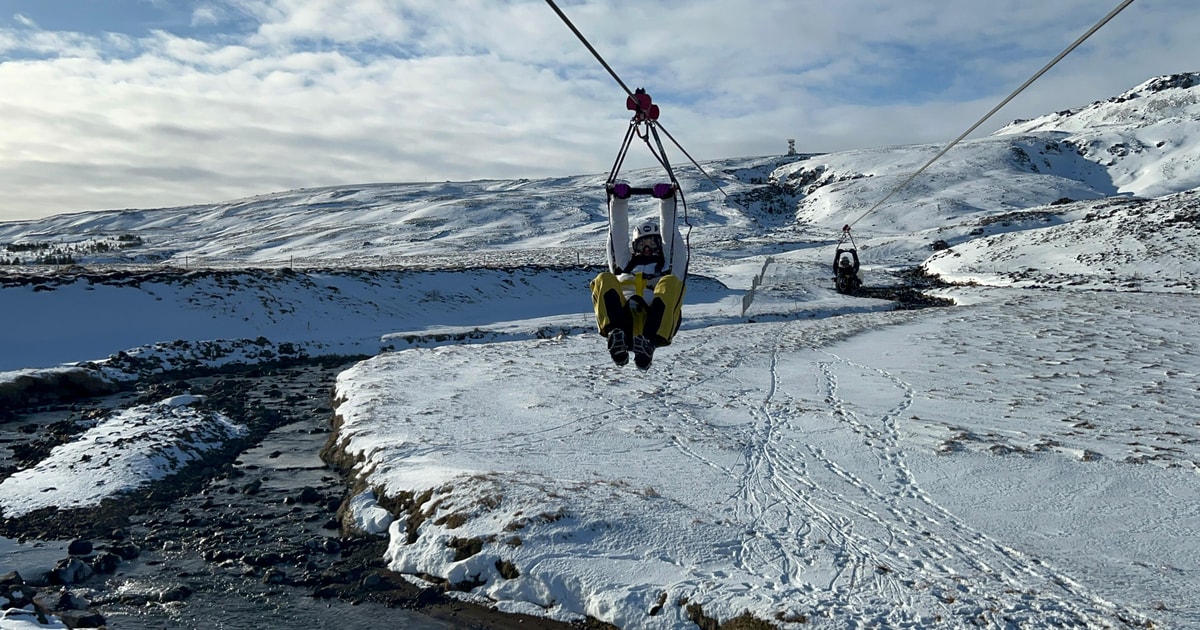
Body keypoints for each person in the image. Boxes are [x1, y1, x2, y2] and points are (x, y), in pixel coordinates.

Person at [590, 181, 688, 369]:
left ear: (659, 245)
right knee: (604, 279)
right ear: (634, 247)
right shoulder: (623, 265)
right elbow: (616, 236)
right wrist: (619, 201)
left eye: (652, 243)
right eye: (642, 244)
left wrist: (667, 201)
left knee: (670, 283)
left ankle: (648, 344)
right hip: (624, 318)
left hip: (656, 319)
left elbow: (672, 236)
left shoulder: (670, 265)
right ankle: (615, 335)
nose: (647, 248)